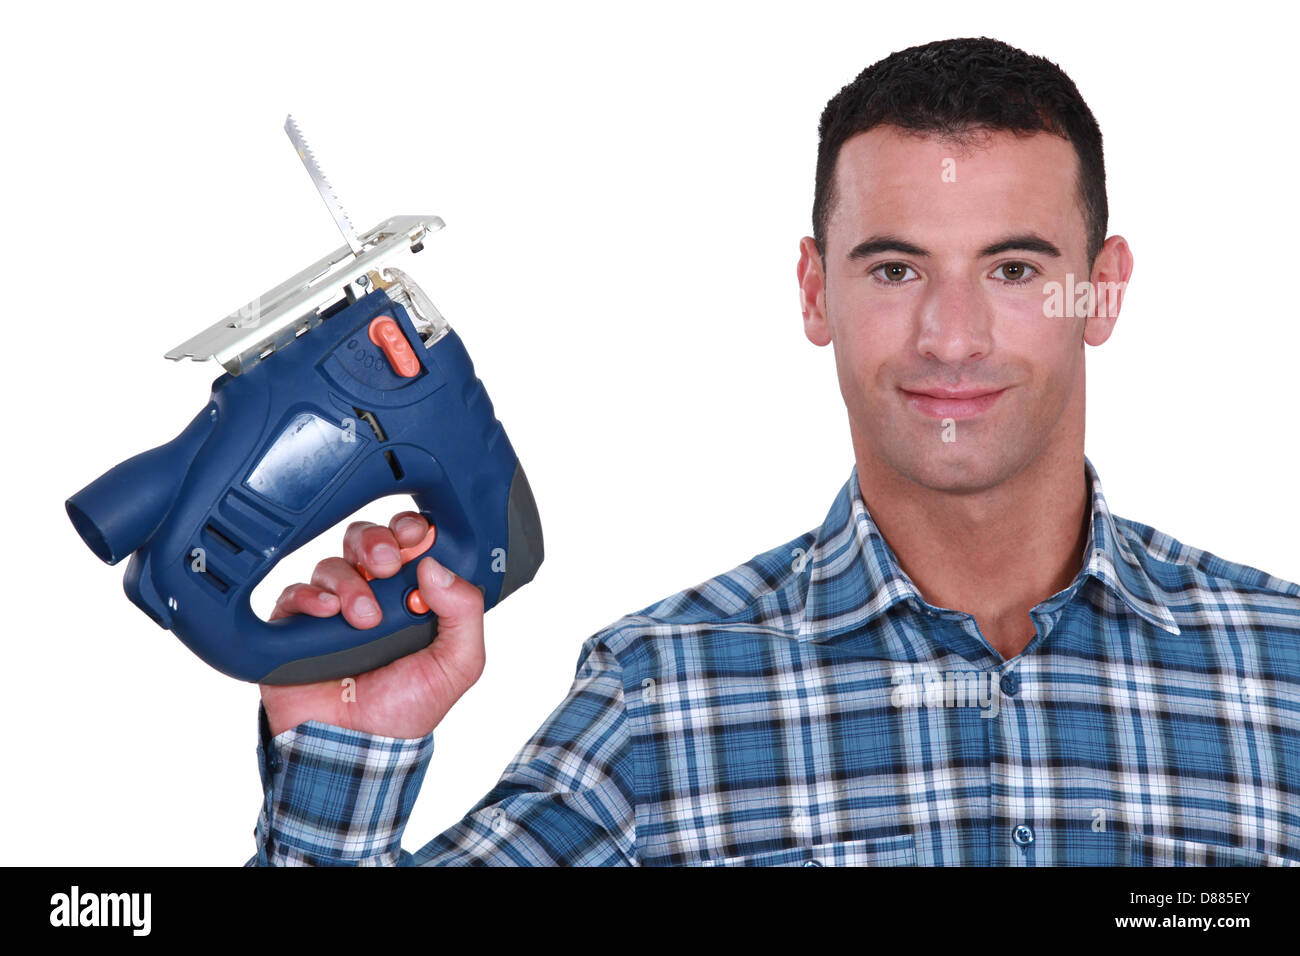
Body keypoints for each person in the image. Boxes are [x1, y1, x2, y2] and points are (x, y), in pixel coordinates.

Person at [247, 36, 1300, 867]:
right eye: (893, 270)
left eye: (1014, 268)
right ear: (814, 290)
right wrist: (342, 760)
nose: (951, 334)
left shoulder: (1283, 674)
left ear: (1101, 289)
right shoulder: (661, 696)